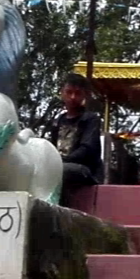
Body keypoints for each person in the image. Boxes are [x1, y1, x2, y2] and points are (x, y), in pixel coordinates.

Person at [47, 73, 104, 202]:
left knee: (63, 170)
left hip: (84, 170)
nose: (73, 97)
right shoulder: (57, 121)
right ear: (62, 93)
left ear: (84, 95)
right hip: (59, 165)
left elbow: (87, 149)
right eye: (69, 92)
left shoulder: (90, 119)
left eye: (77, 93)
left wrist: (61, 161)